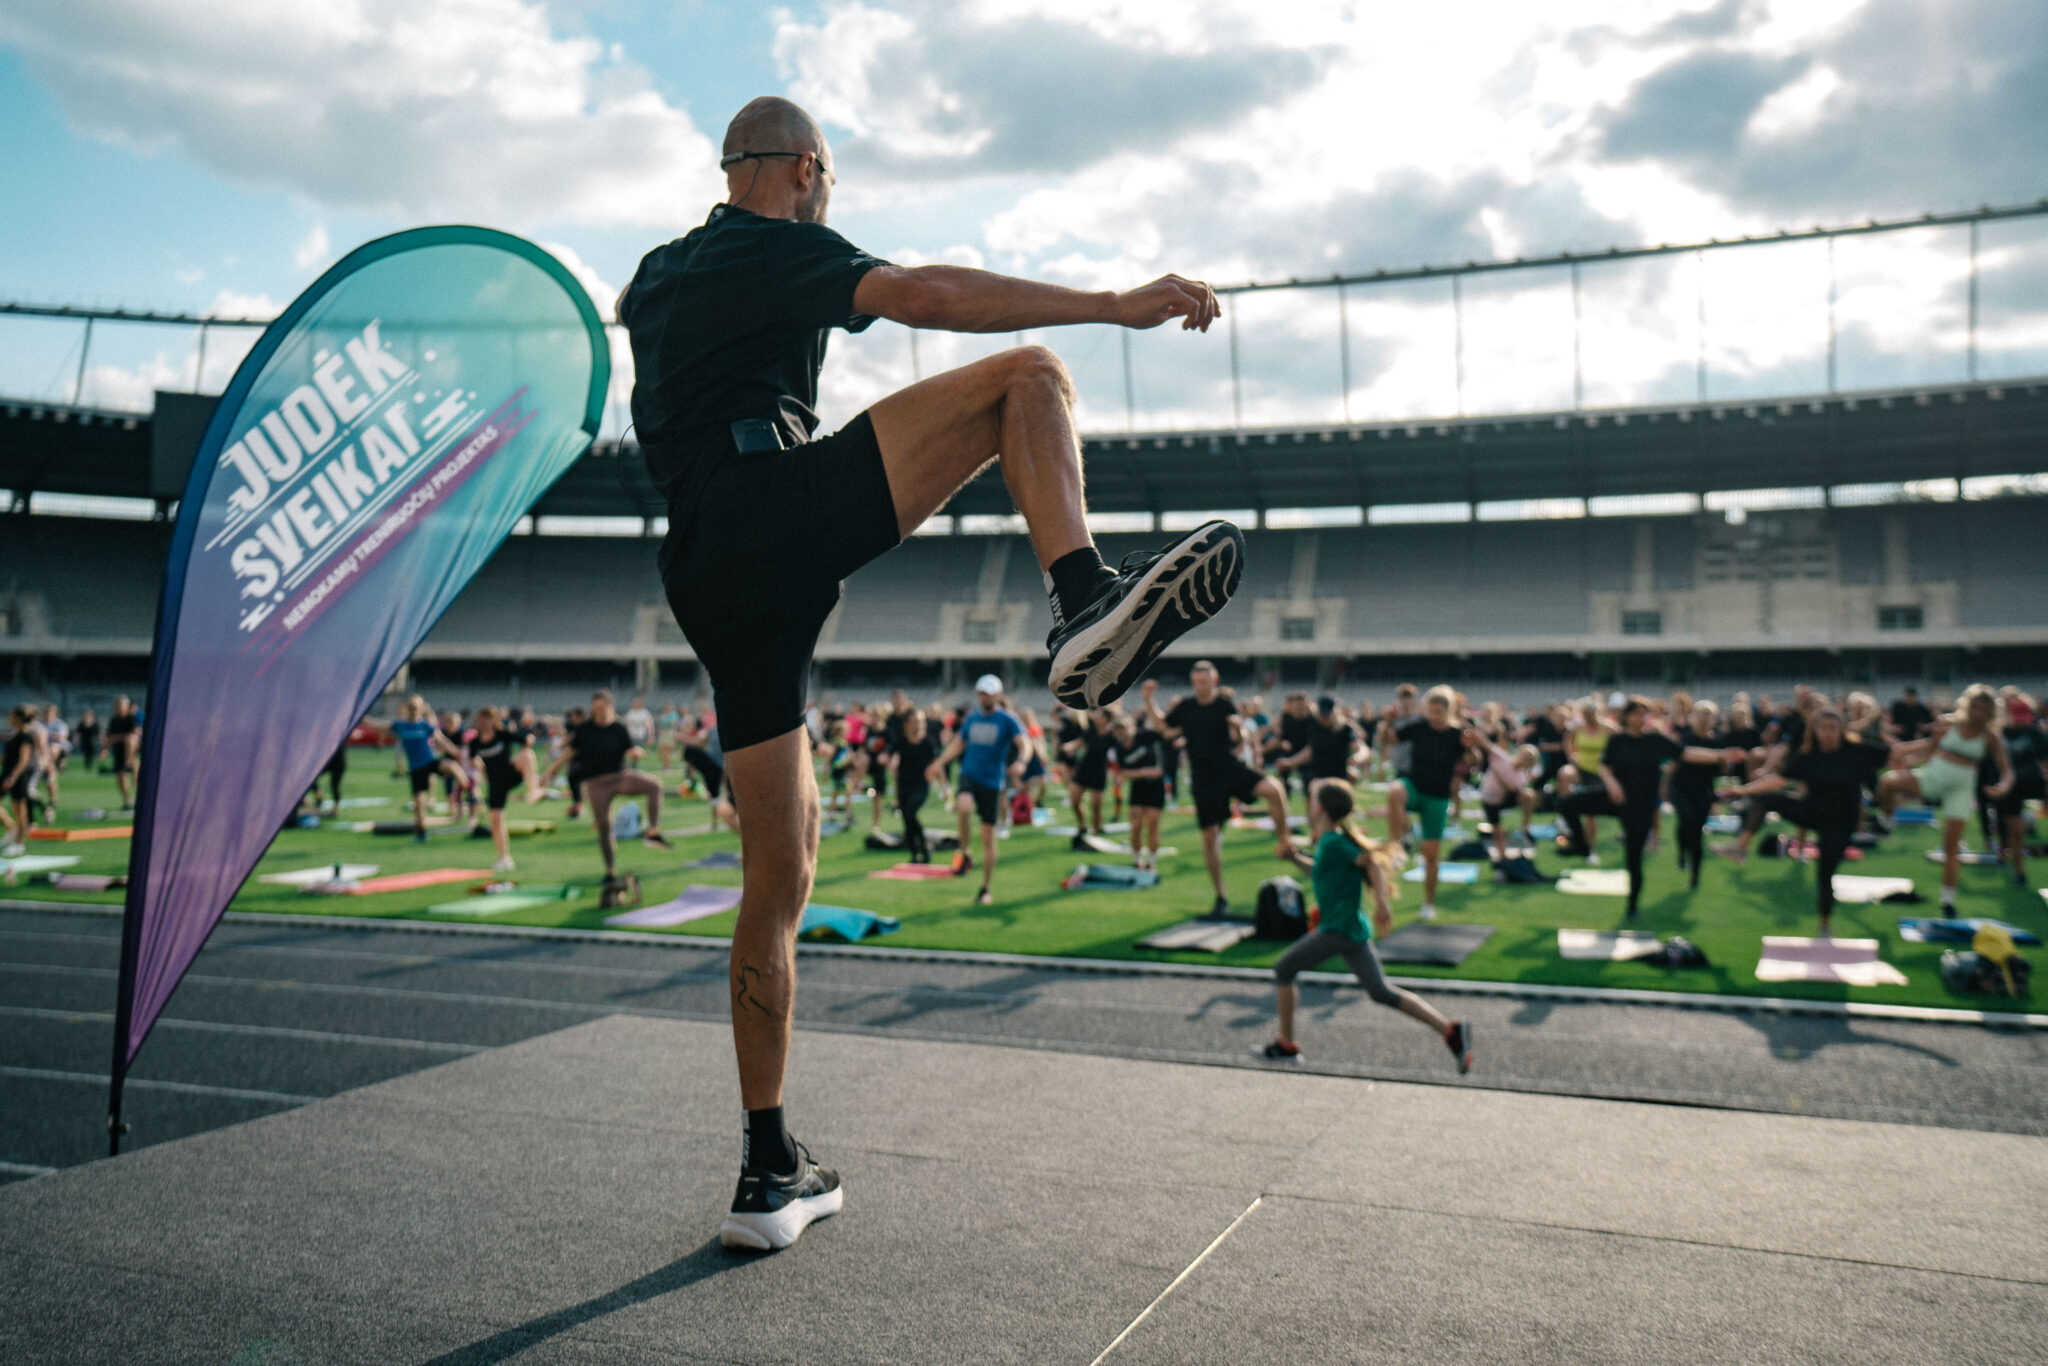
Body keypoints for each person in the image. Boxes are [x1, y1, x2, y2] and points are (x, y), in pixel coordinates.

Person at [617, 96, 1246, 1252]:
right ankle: (1081, 601)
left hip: (707, 569)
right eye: (830, 184)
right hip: (768, 509)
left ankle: (768, 1167)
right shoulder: (771, 240)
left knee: (781, 873)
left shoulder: (659, 275)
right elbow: (924, 300)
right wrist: (1112, 304)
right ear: (805, 170)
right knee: (1029, 376)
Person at [1257, 781, 1471, 1072]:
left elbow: (1371, 863)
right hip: (1351, 930)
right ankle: (1450, 1030)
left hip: (1337, 929)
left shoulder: (1333, 841)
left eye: (1312, 799)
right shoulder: (1331, 841)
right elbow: (1321, 873)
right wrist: (1295, 857)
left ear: (1319, 808)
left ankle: (1286, 1045)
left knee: (1284, 969)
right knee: (1380, 991)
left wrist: (1382, 903)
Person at [1557, 698, 1736, 920]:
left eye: (1644, 714)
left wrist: (1721, 755)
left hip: (1640, 806)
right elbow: (1604, 765)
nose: (1640, 718)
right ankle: (1582, 844)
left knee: (1633, 855)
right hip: (1616, 798)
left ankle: (1632, 905)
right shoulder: (1618, 741)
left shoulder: (1655, 741)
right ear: (1626, 716)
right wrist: (1611, 783)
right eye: (1636, 714)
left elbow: (1686, 753)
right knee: (1567, 803)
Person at [1143, 664, 1295, 919]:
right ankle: (1221, 896)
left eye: (1203, 681)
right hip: (1203, 779)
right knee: (1210, 837)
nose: (1199, 686)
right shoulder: (1186, 707)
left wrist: (1237, 729)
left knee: (1274, 788)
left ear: (1214, 681)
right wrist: (1149, 700)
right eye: (1195, 682)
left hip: (1228, 768)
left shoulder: (1225, 704)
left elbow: (1238, 739)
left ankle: (1284, 841)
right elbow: (1165, 729)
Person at [1724, 708, 1893, 936]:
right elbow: (1777, 780)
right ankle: (1739, 847)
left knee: (1825, 874)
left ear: (1841, 730)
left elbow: (1896, 753)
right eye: (1823, 728)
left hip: (1841, 822)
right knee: (1765, 801)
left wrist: (1934, 745)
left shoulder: (1856, 751)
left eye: (1833, 729)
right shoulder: (1807, 756)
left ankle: (1824, 925)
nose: (1828, 733)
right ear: (1815, 731)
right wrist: (1742, 790)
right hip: (1812, 812)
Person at [1879, 684, 2014, 914]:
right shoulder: (1949, 723)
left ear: (1991, 712)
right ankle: (1886, 822)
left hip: (1961, 788)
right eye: (1975, 706)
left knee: (1951, 848)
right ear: (1967, 706)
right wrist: (1909, 759)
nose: (1978, 712)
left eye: (1984, 708)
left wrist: (2003, 786)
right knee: (1888, 781)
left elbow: (2007, 770)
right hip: (1933, 776)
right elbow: (1930, 749)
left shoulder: (1991, 736)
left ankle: (1948, 900)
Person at [1382, 685, 1478, 921]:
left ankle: (1429, 903)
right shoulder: (1419, 726)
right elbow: (1390, 739)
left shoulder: (1458, 733)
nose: (1434, 716)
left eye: (1439, 712)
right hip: (1414, 788)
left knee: (1431, 855)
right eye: (1431, 711)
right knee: (1395, 790)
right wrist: (1387, 722)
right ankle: (1397, 845)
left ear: (1449, 711)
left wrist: (1471, 747)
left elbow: (1474, 762)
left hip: (1437, 797)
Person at [930, 676, 1028, 905]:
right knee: (963, 806)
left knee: (988, 838)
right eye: (981, 693)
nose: (984, 697)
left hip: (992, 783)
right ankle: (965, 852)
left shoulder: (1007, 719)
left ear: (997, 695)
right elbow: (958, 744)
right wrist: (939, 762)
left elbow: (1025, 743)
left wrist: (1022, 760)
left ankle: (986, 888)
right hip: (969, 775)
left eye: (988, 693)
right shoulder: (972, 718)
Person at [567, 691, 674, 879]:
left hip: (619, 777)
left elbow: (629, 748)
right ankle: (610, 871)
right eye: (595, 708)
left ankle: (653, 832)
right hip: (597, 784)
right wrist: (549, 773)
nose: (599, 712)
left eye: (602, 707)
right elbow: (568, 752)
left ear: (610, 706)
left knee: (654, 785)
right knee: (604, 827)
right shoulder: (585, 729)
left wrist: (636, 752)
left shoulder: (618, 728)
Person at [375, 696, 471, 842]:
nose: (413, 709)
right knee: (419, 803)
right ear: (407, 708)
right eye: (411, 706)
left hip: (430, 761)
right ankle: (421, 832)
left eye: (416, 707)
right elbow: (378, 725)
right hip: (416, 769)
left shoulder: (426, 725)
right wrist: (358, 718)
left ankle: (469, 791)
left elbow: (442, 740)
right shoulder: (400, 725)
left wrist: (456, 753)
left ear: (421, 709)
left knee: (451, 766)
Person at [468, 706, 531, 874]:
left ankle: (534, 790)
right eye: (481, 719)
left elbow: (526, 740)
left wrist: (527, 739)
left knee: (527, 755)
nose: (483, 722)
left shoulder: (503, 735)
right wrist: (481, 771)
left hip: (511, 774)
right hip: (495, 783)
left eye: (487, 718)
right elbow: (473, 759)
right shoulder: (475, 742)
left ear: (493, 719)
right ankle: (504, 857)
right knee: (495, 819)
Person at [1993, 695, 2046, 887]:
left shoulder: (2034, 733)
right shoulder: (1999, 735)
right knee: (2015, 832)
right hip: (2010, 787)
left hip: (2033, 783)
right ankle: (2020, 872)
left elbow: (2045, 760)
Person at [1110, 712, 1167, 870]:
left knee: (1153, 826)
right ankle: (1137, 861)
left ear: (1133, 727)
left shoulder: (1145, 737)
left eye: (1125, 728)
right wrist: (1145, 772)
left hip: (1155, 787)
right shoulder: (1119, 748)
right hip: (1138, 788)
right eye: (1119, 729)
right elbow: (1123, 772)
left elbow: (1163, 731)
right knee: (1135, 826)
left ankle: (1152, 862)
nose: (1122, 732)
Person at [892, 708, 939, 863]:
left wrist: (945, 787)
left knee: (911, 813)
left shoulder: (928, 742)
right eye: (914, 722)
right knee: (906, 818)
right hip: (903, 785)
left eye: (920, 722)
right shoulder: (901, 742)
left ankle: (925, 847)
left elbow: (936, 764)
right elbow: (893, 762)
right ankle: (914, 853)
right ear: (906, 725)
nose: (917, 725)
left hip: (920, 785)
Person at [3, 705, 45, 854]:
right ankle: (11, 829)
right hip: (7, 774)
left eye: (11, 716)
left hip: (18, 776)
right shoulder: (15, 735)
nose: (9, 718)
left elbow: (24, 760)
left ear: (18, 718)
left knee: (20, 810)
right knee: (16, 810)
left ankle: (19, 843)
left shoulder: (26, 736)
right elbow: (8, 758)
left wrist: (13, 777)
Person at [104, 695, 141, 811]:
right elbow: (110, 737)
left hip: (132, 749)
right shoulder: (114, 720)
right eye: (117, 705)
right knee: (120, 777)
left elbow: (134, 734)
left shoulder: (132, 719)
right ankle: (127, 801)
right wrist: (105, 750)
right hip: (119, 750)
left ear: (127, 706)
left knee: (130, 740)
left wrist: (117, 737)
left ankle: (130, 764)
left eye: (121, 704)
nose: (118, 707)